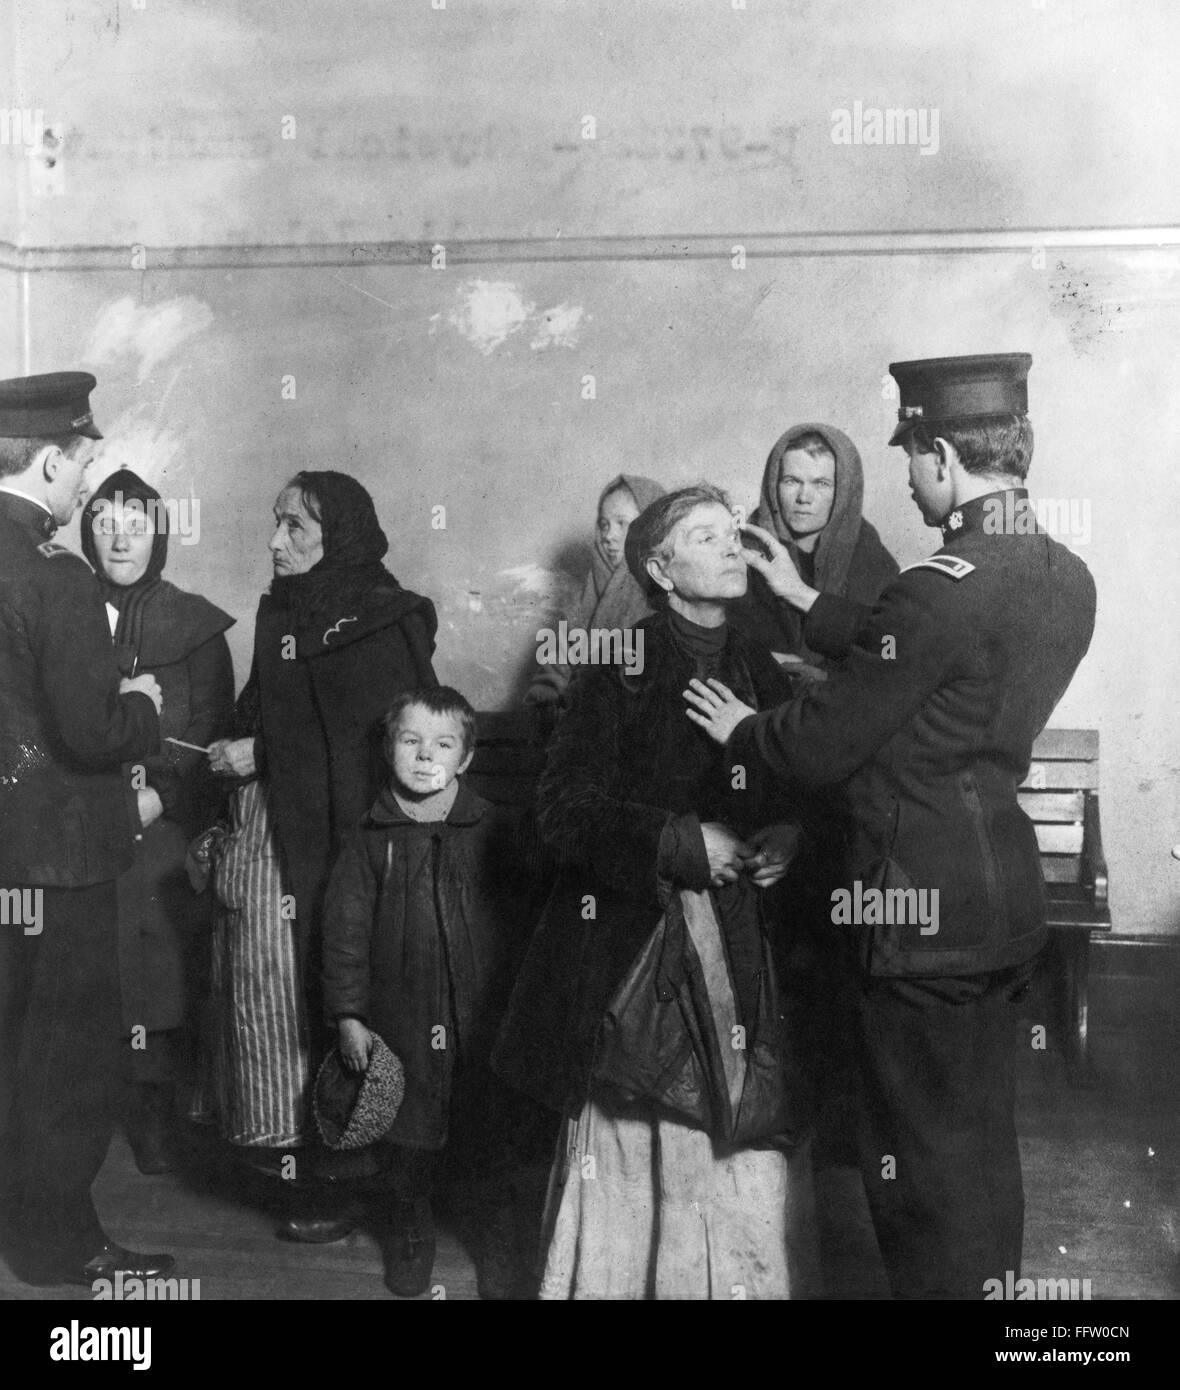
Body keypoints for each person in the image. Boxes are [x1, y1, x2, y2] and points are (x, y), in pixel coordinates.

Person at [684, 354, 1097, 1299]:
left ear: (944, 455)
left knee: (913, 1162)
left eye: (912, 455)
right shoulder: (1061, 574)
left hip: (915, 912)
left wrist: (745, 729)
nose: (908, 477)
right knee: (980, 1133)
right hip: (1000, 898)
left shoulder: (935, 585)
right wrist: (803, 601)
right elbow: (929, 650)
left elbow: (822, 746)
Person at [495, 484, 817, 1300]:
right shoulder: (618, 665)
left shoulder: (757, 658)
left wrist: (789, 835)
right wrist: (676, 842)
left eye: (729, 535)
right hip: (638, 945)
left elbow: (800, 785)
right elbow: (561, 810)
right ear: (660, 569)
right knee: (646, 1136)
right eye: (703, 538)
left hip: (744, 946)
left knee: (743, 1131)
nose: (728, 548)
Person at [202, 470, 438, 1241]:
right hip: (278, 841)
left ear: (340, 535)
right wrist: (238, 749)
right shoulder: (283, 612)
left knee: (347, 998)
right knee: (276, 1005)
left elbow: (379, 745)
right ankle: (301, 1173)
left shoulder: (383, 618)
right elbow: (268, 708)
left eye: (296, 527)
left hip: (354, 853)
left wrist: (260, 753)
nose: (275, 542)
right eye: (275, 524)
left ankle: (363, 1181)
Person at [0, 371, 173, 1286]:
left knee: (7, 1045)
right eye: (85, 460)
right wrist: (140, 705)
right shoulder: (55, 574)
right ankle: (58, 1245)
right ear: (54, 460)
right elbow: (91, 733)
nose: (87, 482)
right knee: (65, 1064)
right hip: (60, 858)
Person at [322, 686, 542, 1298]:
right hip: (402, 1017)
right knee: (406, 1136)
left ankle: (494, 1237)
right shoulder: (369, 837)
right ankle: (409, 1228)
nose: (425, 756)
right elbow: (343, 933)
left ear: (465, 759)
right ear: (388, 749)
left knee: (488, 1133)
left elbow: (523, 922)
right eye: (410, 741)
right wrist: (348, 1013)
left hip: (482, 1013)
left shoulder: (493, 827)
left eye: (443, 744)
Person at [80, 469, 235, 1174]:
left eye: (135, 524)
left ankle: (151, 1115)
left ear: (159, 535)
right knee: (82, 961)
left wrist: (155, 800)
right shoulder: (60, 606)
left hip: (162, 827)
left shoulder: (197, 626)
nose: (119, 536)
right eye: (106, 521)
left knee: (155, 963)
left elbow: (212, 736)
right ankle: (82, 1108)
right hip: (79, 822)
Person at [730, 423, 897, 674]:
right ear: (773, 485)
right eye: (791, 480)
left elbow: (894, 651)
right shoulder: (739, 551)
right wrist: (759, 659)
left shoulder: (872, 558)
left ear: (843, 491)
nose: (804, 497)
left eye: (821, 484)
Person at [525, 473, 665, 708]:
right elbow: (550, 675)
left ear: (653, 529)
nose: (609, 536)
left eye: (623, 524)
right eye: (604, 525)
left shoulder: (669, 601)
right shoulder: (582, 598)